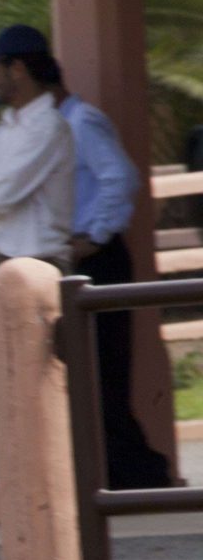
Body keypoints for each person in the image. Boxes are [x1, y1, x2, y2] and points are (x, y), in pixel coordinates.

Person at [50, 71, 174, 489]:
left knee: (104, 370)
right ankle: (115, 471)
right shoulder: (51, 127)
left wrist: (96, 235)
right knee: (88, 370)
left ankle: (138, 472)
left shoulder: (81, 121)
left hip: (98, 258)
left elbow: (121, 176)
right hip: (77, 257)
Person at [0, 26, 76, 269]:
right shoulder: (4, 129)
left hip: (40, 262)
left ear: (18, 69)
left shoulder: (48, 127)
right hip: (4, 263)